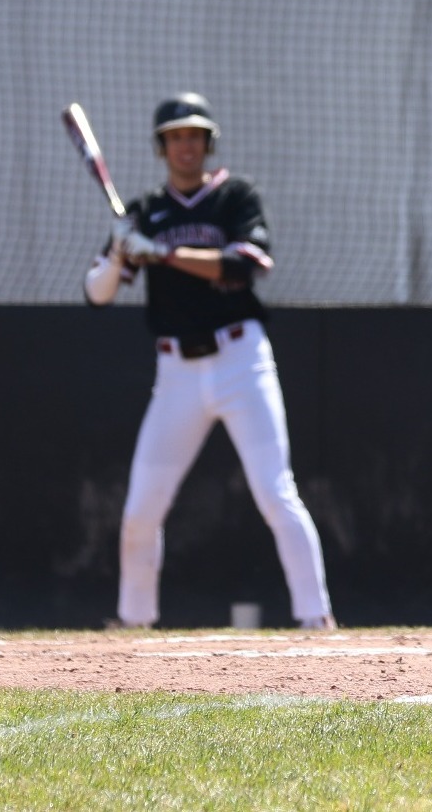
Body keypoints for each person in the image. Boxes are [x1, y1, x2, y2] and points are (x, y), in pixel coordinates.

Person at [83, 93, 335, 631]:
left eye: (194, 135)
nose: (185, 145)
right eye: (175, 136)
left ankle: (316, 619)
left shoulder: (234, 197)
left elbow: (245, 265)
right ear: (162, 146)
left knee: (274, 491)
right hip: (176, 372)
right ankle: (133, 623)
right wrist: (119, 252)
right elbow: (98, 293)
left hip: (242, 360)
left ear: (208, 142)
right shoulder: (145, 213)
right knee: (142, 508)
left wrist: (162, 253)